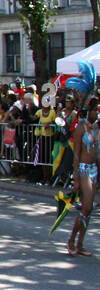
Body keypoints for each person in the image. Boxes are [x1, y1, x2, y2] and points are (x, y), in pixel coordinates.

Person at [66, 103, 98, 257]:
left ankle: (79, 243)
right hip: (84, 169)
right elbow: (76, 154)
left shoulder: (98, 128)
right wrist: (77, 178)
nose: (97, 114)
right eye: (95, 111)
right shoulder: (81, 128)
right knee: (87, 207)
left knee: (88, 210)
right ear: (89, 112)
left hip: (95, 169)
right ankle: (71, 240)